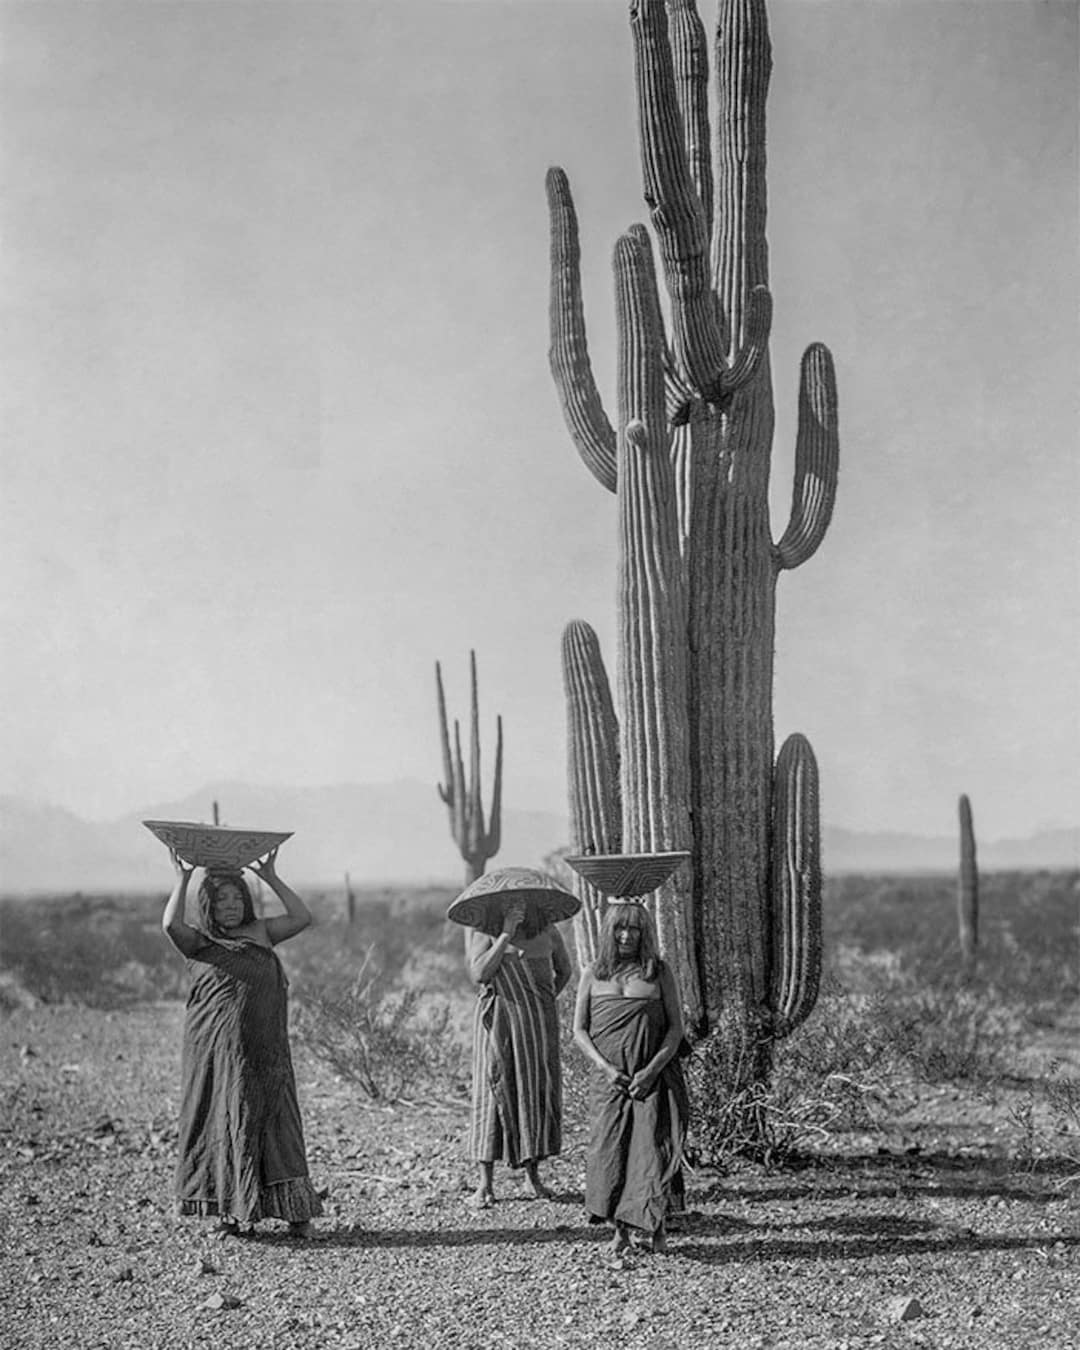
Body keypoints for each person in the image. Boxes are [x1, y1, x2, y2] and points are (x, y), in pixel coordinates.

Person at [161, 848, 323, 1239]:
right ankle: (228, 1213)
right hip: (218, 1054)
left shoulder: (262, 932)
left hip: (266, 1050)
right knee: (222, 1119)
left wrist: (270, 875)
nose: (231, 906)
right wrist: (183, 878)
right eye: (221, 899)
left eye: (237, 897)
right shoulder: (198, 943)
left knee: (277, 1122)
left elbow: (302, 917)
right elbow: (169, 924)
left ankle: (296, 1214)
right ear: (208, 905)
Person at [574, 900, 688, 1256]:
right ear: (608, 932)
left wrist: (652, 1069)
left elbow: (675, 1029)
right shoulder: (594, 973)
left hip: (652, 1076)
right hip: (610, 1081)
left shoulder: (658, 971)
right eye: (620, 928)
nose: (626, 935)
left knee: (651, 1150)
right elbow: (579, 1030)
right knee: (611, 1151)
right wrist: (607, 1070)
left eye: (634, 929)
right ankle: (619, 1232)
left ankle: (657, 1229)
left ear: (645, 933)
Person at [465, 895, 573, 1208]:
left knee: (533, 1092)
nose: (518, 907)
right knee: (491, 1092)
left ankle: (532, 1176)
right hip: (496, 1022)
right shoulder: (484, 933)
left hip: (536, 1025)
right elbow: (480, 974)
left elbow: (564, 971)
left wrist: (541, 1001)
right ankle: (484, 1184)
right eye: (510, 903)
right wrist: (506, 933)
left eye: (523, 901)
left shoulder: (549, 932)